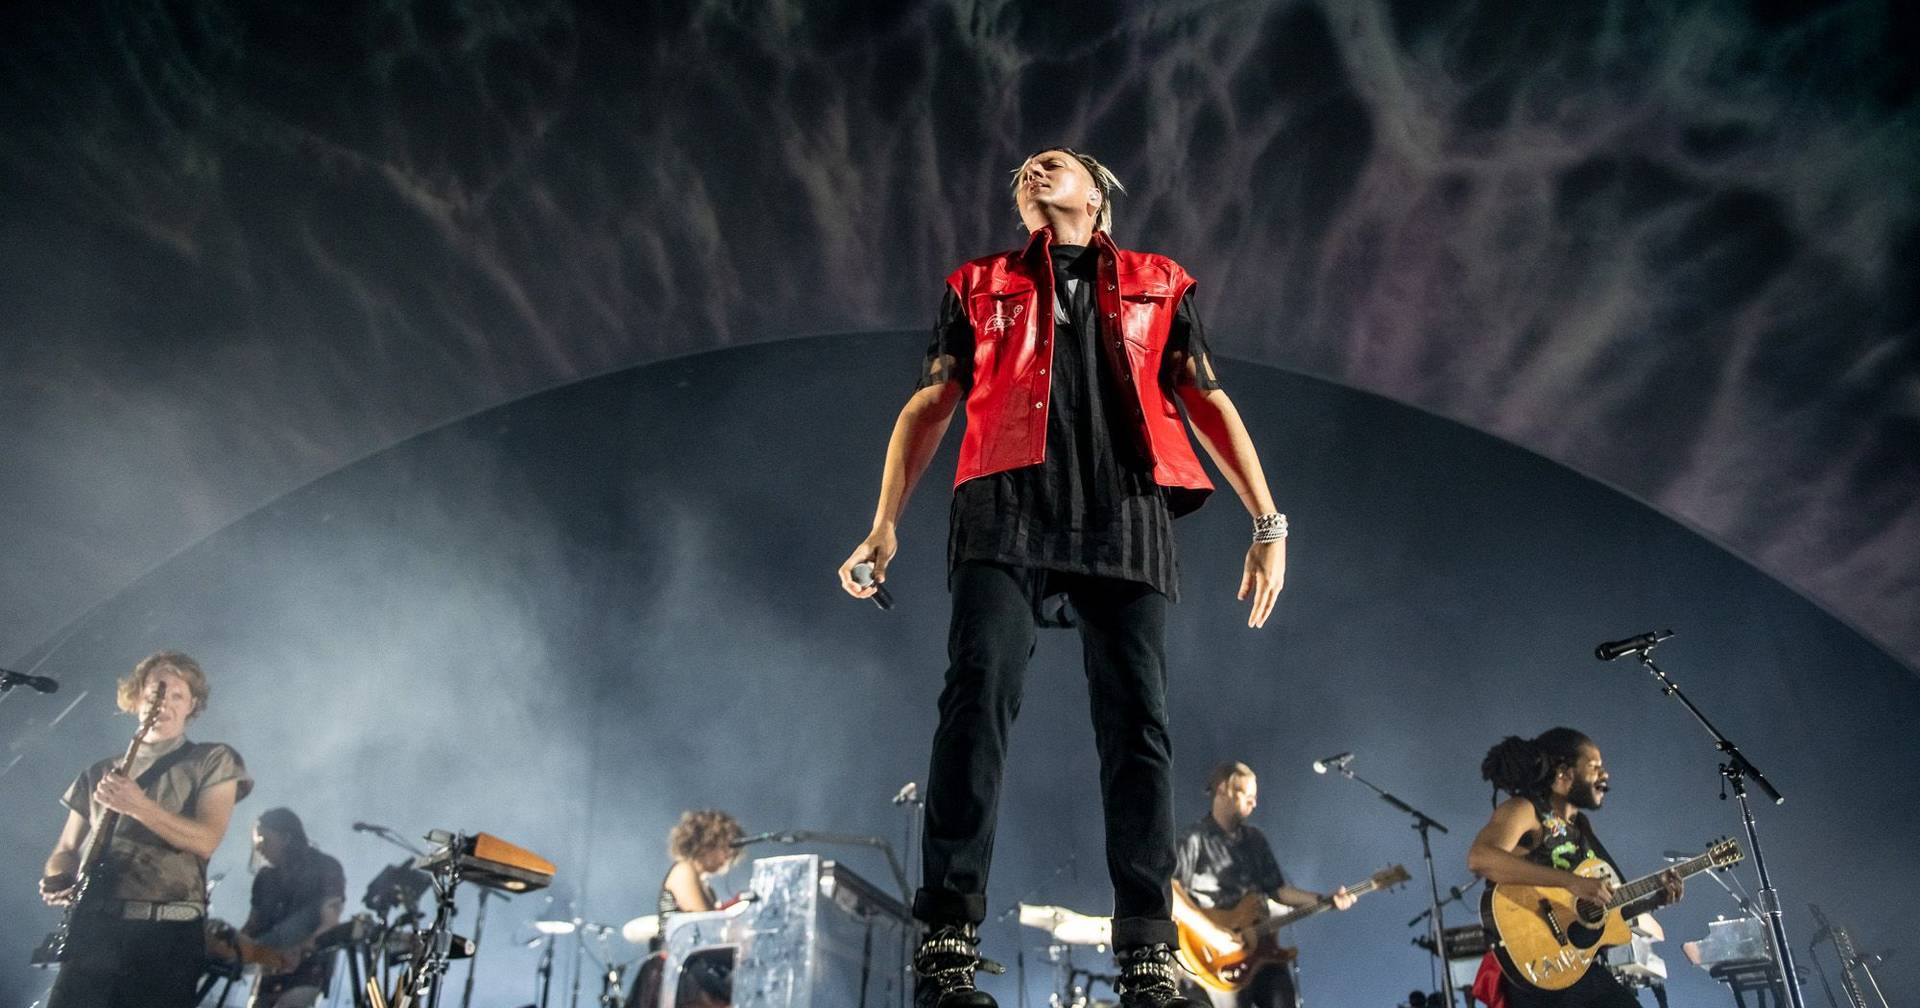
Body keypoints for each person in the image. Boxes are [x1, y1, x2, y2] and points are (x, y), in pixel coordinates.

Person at [839, 145, 1292, 1008]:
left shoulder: (1162, 282)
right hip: (1005, 505)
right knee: (976, 700)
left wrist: (1268, 523)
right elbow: (930, 401)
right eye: (1021, 172)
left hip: (1127, 507)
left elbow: (1205, 398)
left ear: (1099, 191)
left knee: (1138, 726)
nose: (1031, 172)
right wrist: (885, 524)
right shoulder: (977, 283)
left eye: (1052, 163)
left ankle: (1147, 957)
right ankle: (947, 945)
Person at [38, 650, 253, 1008]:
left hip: (164, 935)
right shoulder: (99, 771)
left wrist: (138, 806)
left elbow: (206, 840)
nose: (163, 703)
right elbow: (64, 850)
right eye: (155, 693)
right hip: (94, 929)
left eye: (176, 696)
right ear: (136, 697)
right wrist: (59, 876)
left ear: (192, 706)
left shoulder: (213, 759)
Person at [1466, 728, 1681, 1008]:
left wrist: (1654, 900)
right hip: (1536, 962)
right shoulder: (1525, 810)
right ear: (1564, 773)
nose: (1605, 776)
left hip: (1576, 963)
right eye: (1594, 767)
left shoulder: (1581, 829)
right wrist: (1570, 881)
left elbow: (1603, 910)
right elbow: (1481, 858)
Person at [1170, 761, 1354, 1008]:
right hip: (1216, 955)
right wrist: (1212, 933)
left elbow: (1278, 890)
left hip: (1262, 949)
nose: (1253, 803)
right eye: (1247, 795)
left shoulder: (1255, 839)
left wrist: (1323, 900)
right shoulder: (1194, 838)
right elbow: (1169, 891)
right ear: (1224, 789)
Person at [241, 808, 347, 1008]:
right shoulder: (265, 878)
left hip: (309, 968)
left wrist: (301, 949)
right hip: (269, 968)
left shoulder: (325, 867)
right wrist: (230, 945)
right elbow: (252, 925)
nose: (259, 848)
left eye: (265, 840)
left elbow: (330, 923)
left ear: (286, 838)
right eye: (257, 842)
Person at [644, 809, 743, 1008]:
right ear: (707, 841)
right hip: (679, 970)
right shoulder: (684, 870)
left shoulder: (705, 885)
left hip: (693, 967)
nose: (729, 855)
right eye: (726, 846)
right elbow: (705, 922)